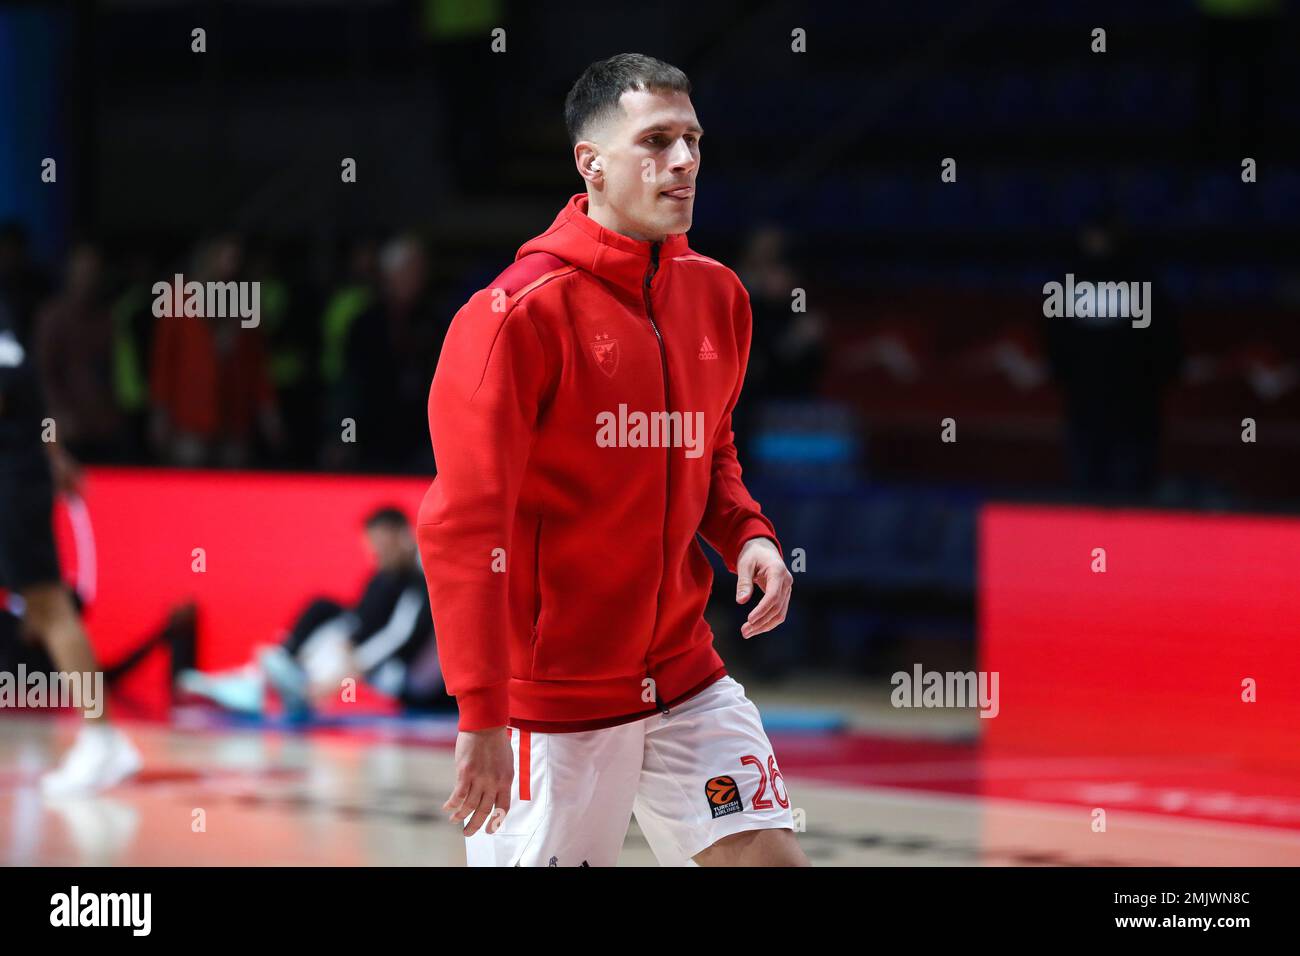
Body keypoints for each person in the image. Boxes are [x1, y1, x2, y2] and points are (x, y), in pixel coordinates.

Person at [418, 53, 805, 866]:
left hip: (684, 672)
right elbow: (463, 527)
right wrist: (482, 711)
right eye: (657, 140)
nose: (685, 161)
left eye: (693, 140)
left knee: (767, 859)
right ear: (590, 163)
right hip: (551, 703)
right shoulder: (512, 317)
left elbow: (711, 448)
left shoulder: (719, 295)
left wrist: (749, 536)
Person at [0, 297, 141, 795]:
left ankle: (103, 738)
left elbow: (12, 393)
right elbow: (31, 397)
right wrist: (54, 453)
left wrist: (50, 455)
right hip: (20, 474)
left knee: (49, 608)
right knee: (43, 612)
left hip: (11, 483)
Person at [178, 507, 452, 717]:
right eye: (374, 551)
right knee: (325, 613)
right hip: (384, 663)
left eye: (382, 549)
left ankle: (274, 683)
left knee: (334, 634)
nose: (378, 558)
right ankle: (265, 676)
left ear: (401, 535)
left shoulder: (422, 574)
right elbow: (369, 622)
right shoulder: (387, 578)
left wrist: (348, 669)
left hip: (416, 684)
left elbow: (400, 637)